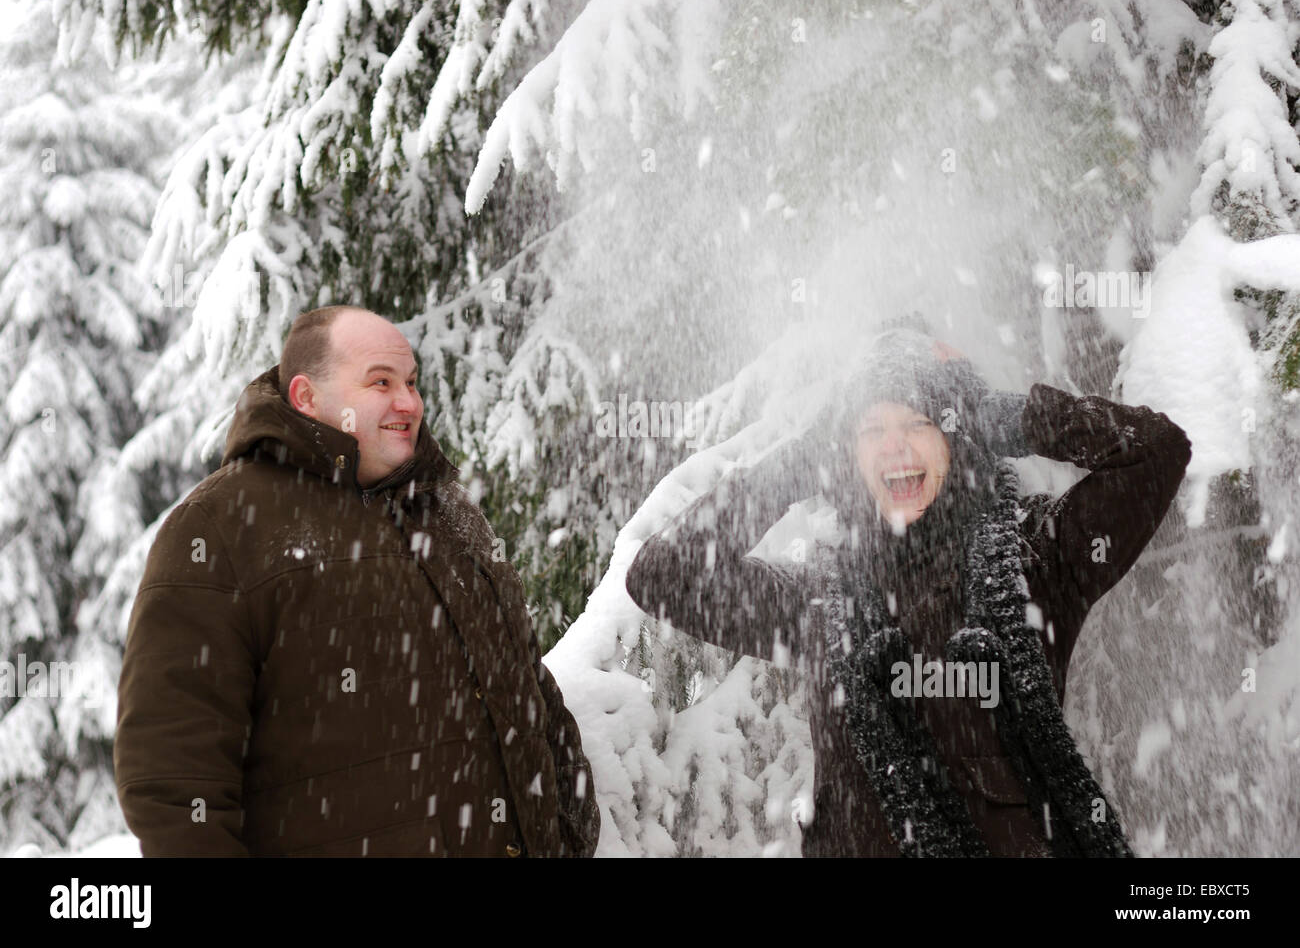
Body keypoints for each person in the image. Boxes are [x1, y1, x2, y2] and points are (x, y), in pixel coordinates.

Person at [623, 322, 1192, 857]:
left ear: (956, 436)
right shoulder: (821, 606)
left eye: (917, 423)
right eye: (872, 430)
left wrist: (1010, 419)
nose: (893, 447)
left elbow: (1156, 450)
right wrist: (796, 465)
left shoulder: (1036, 561)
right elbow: (661, 574)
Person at [114, 305, 599, 857]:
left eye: (412, 383)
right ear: (306, 397)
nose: (409, 403)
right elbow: (173, 783)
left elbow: (527, 688)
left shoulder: (448, 515)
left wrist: (571, 830)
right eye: (381, 382)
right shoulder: (219, 529)